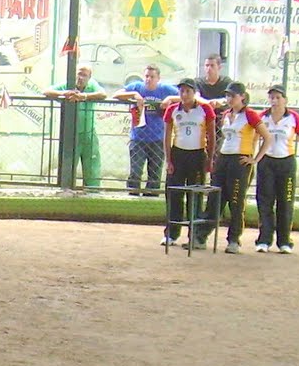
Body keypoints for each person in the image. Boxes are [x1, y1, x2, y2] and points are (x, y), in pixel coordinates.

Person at [211, 82, 268, 254]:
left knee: (236, 199)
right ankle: (202, 234)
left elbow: (267, 137)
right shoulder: (226, 114)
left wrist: (255, 159)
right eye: (227, 96)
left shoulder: (250, 115)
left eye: (233, 96)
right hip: (224, 157)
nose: (229, 99)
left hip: (240, 159)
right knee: (215, 197)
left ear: (242, 97)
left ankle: (234, 239)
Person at [161, 78, 215, 249]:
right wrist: (169, 159)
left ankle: (195, 235)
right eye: (182, 91)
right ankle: (171, 232)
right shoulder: (172, 110)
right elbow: (167, 136)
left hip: (197, 155)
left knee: (195, 195)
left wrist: (210, 158)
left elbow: (211, 135)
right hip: (178, 154)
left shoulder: (204, 109)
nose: (184, 95)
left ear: (195, 93)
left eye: (188, 91)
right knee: (174, 193)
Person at [255, 85, 299, 254]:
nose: (274, 101)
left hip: (286, 163)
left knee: (285, 202)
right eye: (271, 97)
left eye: (278, 97)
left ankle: (284, 241)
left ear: (285, 100)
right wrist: (253, 158)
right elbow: (254, 138)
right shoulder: (262, 117)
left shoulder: (293, 118)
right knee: (265, 201)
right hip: (266, 162)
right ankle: (264, 240)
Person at [116, 65, 176, 196]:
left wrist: (169, 99)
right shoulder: (137, 87)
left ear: (158, 78)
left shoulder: (165, 89)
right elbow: (117, 94)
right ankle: (133, 195)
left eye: (152, 77)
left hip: (158, 138)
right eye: (146, 76)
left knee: (154, 173)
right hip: (138, 138)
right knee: (135, 171)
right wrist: (134, 95)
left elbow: (186, 95)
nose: (148, 79)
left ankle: (151, 197)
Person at [43, 65, 106, 189]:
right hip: (71, 134)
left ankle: (92, 193)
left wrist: (85, 96)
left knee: (92, 166)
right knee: (69, 165)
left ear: (89, 77)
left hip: (88, 133)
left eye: (84, 75)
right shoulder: (68, 84)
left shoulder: (92, 85)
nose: (80, 77)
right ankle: (67, 190)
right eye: (79, 74)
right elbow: (46, 91)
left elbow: (103, 94)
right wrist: (63, 93)